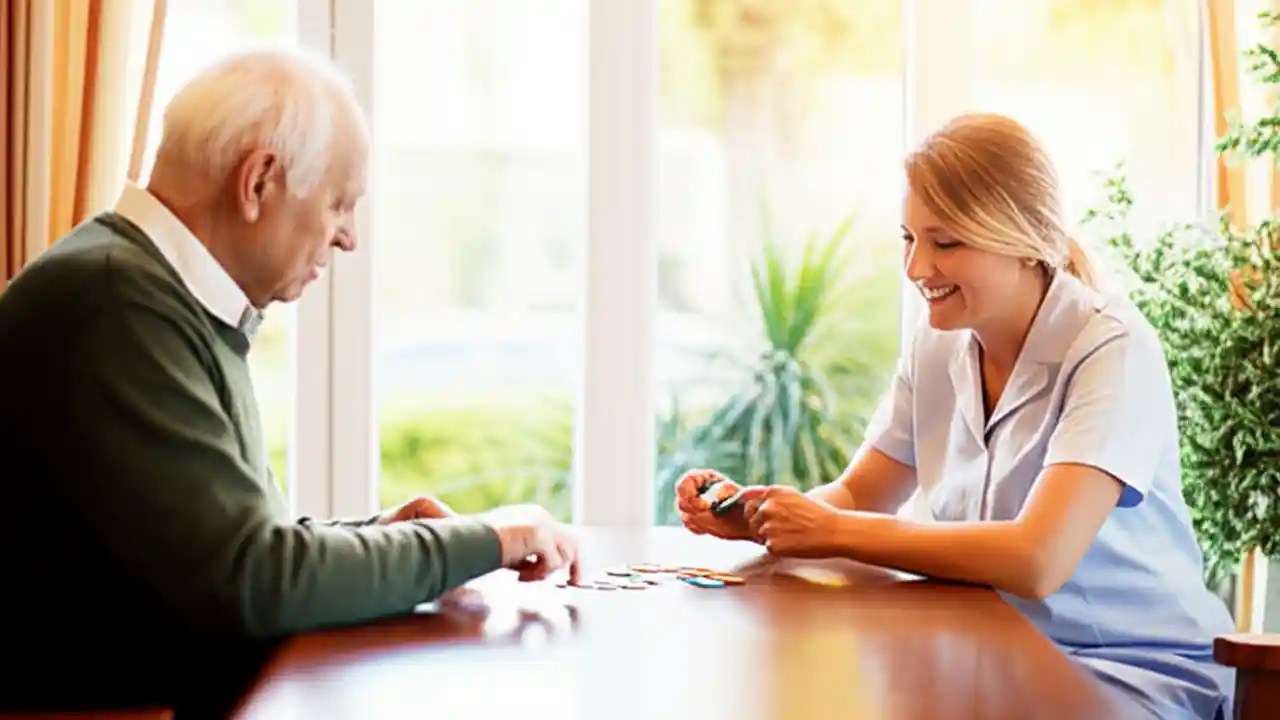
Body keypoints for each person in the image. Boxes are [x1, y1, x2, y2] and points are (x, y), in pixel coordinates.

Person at [0, 47, 578, 715]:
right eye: (339, 205)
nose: (348, 239)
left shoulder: (151, 294)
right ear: (259, 183)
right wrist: (492, 539)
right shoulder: (114, 304)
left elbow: (236, 548)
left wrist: (376, 536)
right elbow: (255, 579)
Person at [675, 113, 1236, 719]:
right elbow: (862, 493)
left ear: (1022, 241)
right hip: (988, 650)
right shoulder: (938, 341)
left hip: (1128, 667)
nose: (917, 268)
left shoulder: (1111, 348)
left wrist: (830, 532)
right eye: (909, 239)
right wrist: (762, 516)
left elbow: (1037, 559)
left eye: (946, 243)